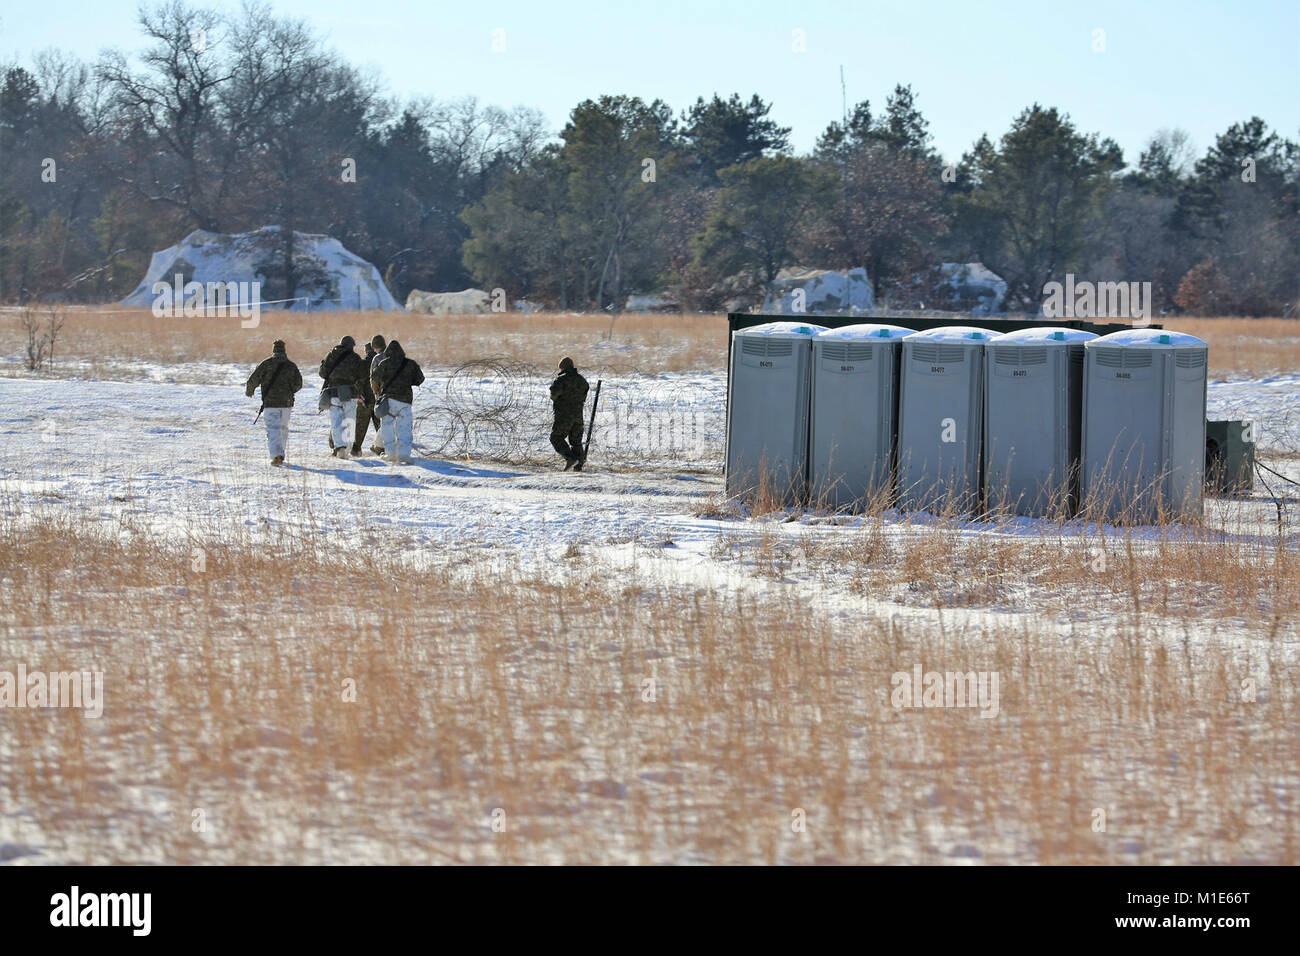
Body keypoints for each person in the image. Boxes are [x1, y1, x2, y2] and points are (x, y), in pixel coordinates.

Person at [245, 339, 303, 466]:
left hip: (270, 403)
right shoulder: (291, 366)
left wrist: (250, 391)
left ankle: (277, 455)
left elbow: (254, 379)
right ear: (284, 350)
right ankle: (280, 453)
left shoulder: (266, 364)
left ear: (274, 350)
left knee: (272, 429)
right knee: (283, 429)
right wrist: (289, 391)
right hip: (286, 404)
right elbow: (299, 384)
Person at [370, 339, 424, 464]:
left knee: (387, 426)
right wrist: (408, 381)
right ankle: (404, 454)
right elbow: (420, 379)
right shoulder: (410, 364)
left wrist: (377, 392)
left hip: (388, 400)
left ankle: (390, 454)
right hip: (405, 400)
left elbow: (374, 378)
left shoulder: (384, 363)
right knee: (404, 427)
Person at [318, 335, 366, 459]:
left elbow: (322, 373)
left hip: (334, 393)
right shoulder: (355, 358)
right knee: (350, 421)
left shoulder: (331, 355)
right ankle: (347, 448)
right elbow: (362, 376)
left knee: (336, 422)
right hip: (351, 394)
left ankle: (340, 448)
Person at [549, 356, 589, 471]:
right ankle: (579, 465)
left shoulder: (561, 380)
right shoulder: (582, 380)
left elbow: (553, 395)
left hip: (564, 415)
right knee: (576, 441)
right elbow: (585, 393)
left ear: (563, 367)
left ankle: (570, 458)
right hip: (578, 415)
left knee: (556, 437)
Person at [360, 334, 387, 457]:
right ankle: (382, 446)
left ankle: (380, 446)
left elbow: (373, 379)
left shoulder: (377, 358)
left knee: (385, 421)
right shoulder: (393, 355)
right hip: (398, 394)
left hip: (382, 395)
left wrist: (376, 393)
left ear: (375, 347)